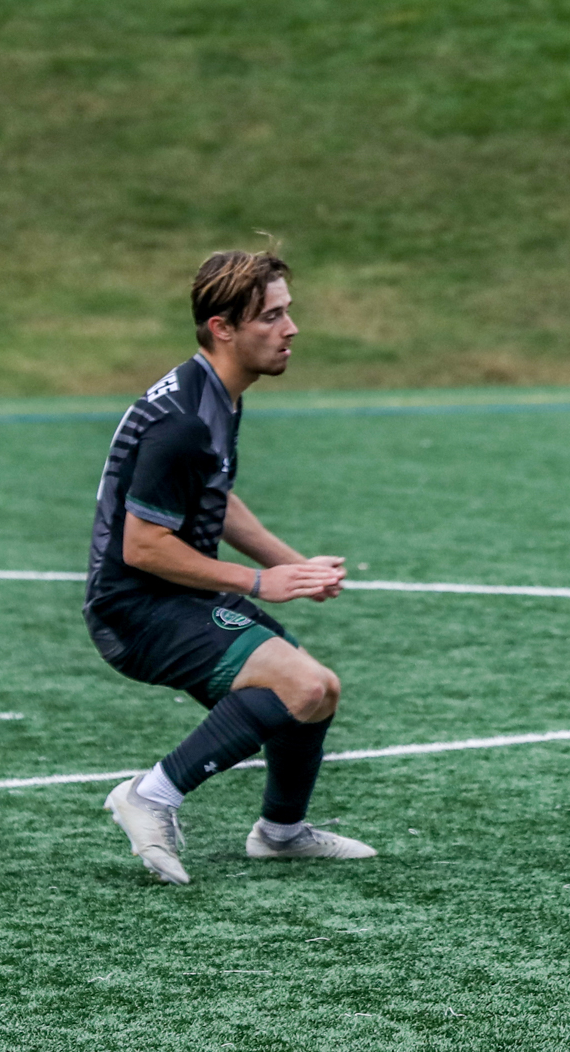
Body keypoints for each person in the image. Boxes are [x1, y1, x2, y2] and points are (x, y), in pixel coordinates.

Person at [85, 249, 375, 885]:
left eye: (287, 313)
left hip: (173, 595)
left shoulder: (215, 395)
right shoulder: (184, 421)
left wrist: (287, 563)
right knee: (296, 685)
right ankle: (150, 796)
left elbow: (212, 495)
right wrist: (257, 581)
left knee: (317, 690)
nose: (290, 329)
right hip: (136, 609)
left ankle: (280, 834)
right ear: (223, 328)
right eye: (271, 317)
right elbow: (144, 547)